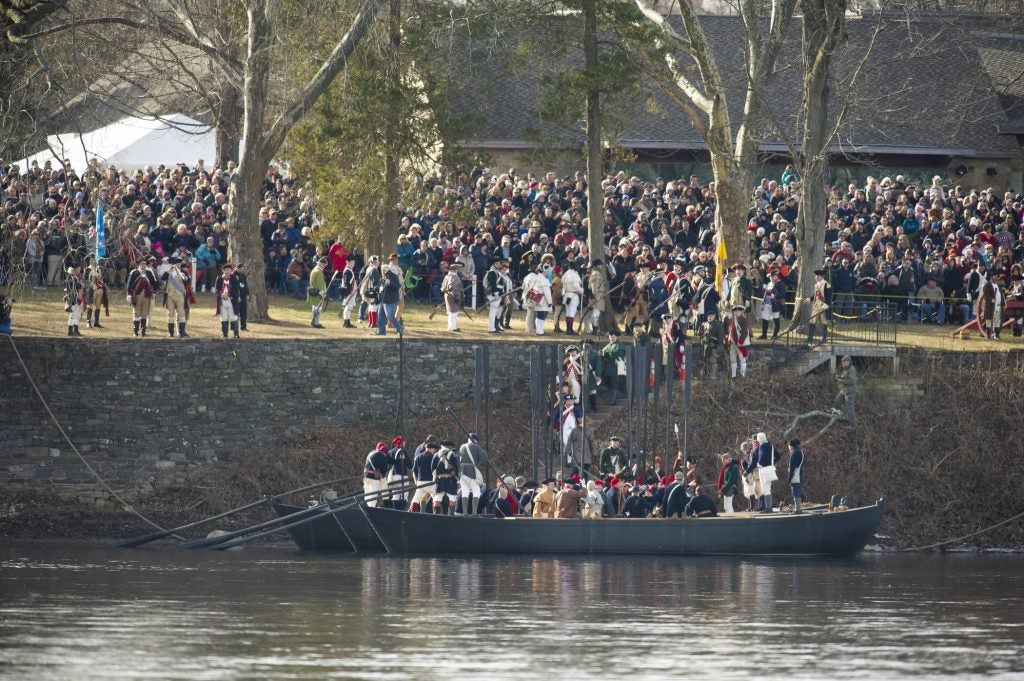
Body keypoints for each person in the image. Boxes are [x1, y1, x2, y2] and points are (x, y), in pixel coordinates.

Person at [457, 432, 490, 515]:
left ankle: (465, 512)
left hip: (461, 472)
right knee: (476, 491)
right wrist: (484, 451)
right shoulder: (476, 447)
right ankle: (474, 512)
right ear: (475, 440)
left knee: (464, 492)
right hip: (471, 472)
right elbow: (485, 458)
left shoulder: (462, 447)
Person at [126, 259, 157, 337]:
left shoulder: (149, 273)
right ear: (139, 264)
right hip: (137, 296)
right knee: (136, 313)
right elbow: (129, 285)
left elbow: (154, 284)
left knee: (144, 313)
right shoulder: (134, 273)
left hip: (146, 296)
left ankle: (143, 331)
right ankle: (135, 331)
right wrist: (129, 295)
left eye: (145, 264)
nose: (144, 265)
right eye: (142, 264)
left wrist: (153, 292)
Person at [161, 256, 190, 337]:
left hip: (180, 295)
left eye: (179, 263)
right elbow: (163, 278)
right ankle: (171, 333)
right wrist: (169, 270)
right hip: (170, 296)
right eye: (176, 264)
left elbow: (187, 280)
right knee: (170, 315)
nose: (178, 265)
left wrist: (184, 275)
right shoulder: (169, 272)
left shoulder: (183, 273)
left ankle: (181, 332)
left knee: (181, 313)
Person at [378, 253, 405, 336]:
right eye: (382, 270)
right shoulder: (383, 278)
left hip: (391, 299)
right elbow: (380, 287)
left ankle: (400, 328)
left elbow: (397, 285)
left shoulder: (393, 276)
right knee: (381, 316)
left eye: (384, 270)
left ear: (387, 270)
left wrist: (389, 283)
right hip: (383, 299)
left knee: (390, 316)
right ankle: (381, 331)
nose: (383, 271)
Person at [409, 436, 439, 513]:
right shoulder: (434, 458)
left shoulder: (418, 457)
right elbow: (436, 471)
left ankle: (412, 512)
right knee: (436, 497)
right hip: (431, 482)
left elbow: (414, 471)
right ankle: (435, 513)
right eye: (434, 449)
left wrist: (417, 481)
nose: (434, 451)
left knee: (416, 498)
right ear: (431, 449)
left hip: (421, 482)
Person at [431, 440, 460, 514]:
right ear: (449, 447)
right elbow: (456, 468)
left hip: (440, 479)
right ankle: (451, 516)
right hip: (450, 479)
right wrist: (457, 477)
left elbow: (432, 468)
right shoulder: (452, 454)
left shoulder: (436, 455)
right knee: (452, 498)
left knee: (437, 498)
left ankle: (435, 515)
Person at [483, 258, 511, 333]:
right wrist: (495, 294)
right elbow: (493, 284)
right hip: (493, 294)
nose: (498, 265)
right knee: (493, 312)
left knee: (494, 312)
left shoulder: (496, 272)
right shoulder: (492, 272)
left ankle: (493, 327)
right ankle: (491, 328)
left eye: (499, 264)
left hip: (498, 294)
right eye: (497, 264)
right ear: (493, 264)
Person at [214, 263, 241, 339]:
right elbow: (216, 289)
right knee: (224, 317)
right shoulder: (219, 279)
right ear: (223, 271)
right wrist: (221, 294)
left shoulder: (234, 278)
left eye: (229, 270)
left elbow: (236, 289)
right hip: (222, 301)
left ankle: (236, 333)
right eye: (226, 270)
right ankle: (225, 333)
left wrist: (228, 294)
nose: (228, 271)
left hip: (231, 301)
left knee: (234, 317)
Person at [600, 330, 626, 405]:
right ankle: (617, 395)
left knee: (614, 383)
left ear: (616, 337)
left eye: (613, 337)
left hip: (615, 368)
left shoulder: (620, 345)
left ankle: (613, 399)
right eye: (610, 337)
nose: (611, 338)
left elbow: (619, 356)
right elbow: (603, 351)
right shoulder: (608, 345)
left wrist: (608, 356)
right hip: (607, 368)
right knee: (608, 383)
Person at [755, 432, 779, 513]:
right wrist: (772, 462)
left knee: (765, 489)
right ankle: (769, 507)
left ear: (759, 439)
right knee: (768, 488)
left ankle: (768, 508)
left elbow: (762, 456)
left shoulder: (761, 446)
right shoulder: (770, 445)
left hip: (764, 469)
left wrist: (759, 463)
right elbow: (778, 455)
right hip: (771, 468)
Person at [363, 441, 392, 508]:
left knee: (367, 496)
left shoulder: (371, 453)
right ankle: (371, 510)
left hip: (366, 477)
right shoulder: (381, 456)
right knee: (373, 497)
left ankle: (366, 509)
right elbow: (383, 471)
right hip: (374, 479)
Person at [977, 272, 1005, 339]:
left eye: (996, 276)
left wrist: (1003, 303)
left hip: (998, 306)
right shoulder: (987, 285)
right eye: (994, 276)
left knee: (998, 321)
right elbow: (986, 295)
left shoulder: (998, 285)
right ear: (991, 277)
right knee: (989, 321)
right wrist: (991, 300)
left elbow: (1001, 295)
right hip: (990, 306)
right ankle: (988, 335)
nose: (995, 277)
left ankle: (996, 335)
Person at [387, 436, 412, 511]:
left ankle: (395, 511)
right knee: (404, 495)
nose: (405, 443)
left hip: (394, 476)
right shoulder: (403, 451)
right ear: (401, 443)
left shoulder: (390, 451)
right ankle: (402, 510)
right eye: (404, 442)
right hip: (402, 475)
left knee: (395, 495)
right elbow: (409, 465)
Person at [726, 305, 751, 378]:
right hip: (733, 343)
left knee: (742, 359)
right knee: (733, 359)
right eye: (735, 311)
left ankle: (743, 376)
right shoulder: (734, 320)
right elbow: (732, 330)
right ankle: (733, 376)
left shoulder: (743, 320)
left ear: (742, 312)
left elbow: (744, 332)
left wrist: (740, 341)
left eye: (738, 311)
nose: (736, 313)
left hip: (740, 343)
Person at [834, 355, 858, 426]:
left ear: (848, 362)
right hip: (844, 390)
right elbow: (845, 377)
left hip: (850, 391)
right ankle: (845, 415)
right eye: (842, 362)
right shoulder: (845, 369)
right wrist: (839, 377)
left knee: (849, 407)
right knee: (837, 402)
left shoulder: (852, 369)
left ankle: (852, 424)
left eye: (844, 362)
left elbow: (852, 381)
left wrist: (841, 381)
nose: (842, 363)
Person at [561, 261, 584, 335]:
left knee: (568, 313)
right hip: (573, 296)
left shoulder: (565, 274)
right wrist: (582, 291)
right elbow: (576, 286)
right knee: (571, 313)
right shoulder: (574, 275)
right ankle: (570, 330)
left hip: (566, 294)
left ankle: (568, 329)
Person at [442, 260, 465, 332]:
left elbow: (443, 287)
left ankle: (453, 326)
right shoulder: (454, 276)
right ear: (455, 270)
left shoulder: (448, 276)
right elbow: (451, 286)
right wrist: (454, 295)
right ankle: (452, 327)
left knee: (453, 312)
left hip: (450, 295)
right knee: (453, 312)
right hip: (453, 295)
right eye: (458, 269)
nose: (459, 270)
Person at [808, 268, 830, 343]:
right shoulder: (816, 284)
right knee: (812, 321)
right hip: (816, 305)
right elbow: (815, 295)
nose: (816, 277)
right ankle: (810, 337)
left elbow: (828, 296)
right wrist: (809, 299)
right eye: (816, 276)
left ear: (822, 277)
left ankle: (824, 338)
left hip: (823, 304)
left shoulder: (827, 284)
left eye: (818, 276)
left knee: (824, 321)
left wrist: (826, 304)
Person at [700, 310, 724, 377]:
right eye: (708, 316)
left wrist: (718, 346)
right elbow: (702, 335)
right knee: (705, 361)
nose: (709, 317)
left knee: (713, 361)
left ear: (714, 316)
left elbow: (720, 337)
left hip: (714, 346)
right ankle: (707, 375)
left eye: (711, 316)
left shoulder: (718, 325)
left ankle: (713, 376)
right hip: (706, 346)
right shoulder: (705, 324)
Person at [307, 256, 328, 328]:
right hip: (318, 293)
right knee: (318, 309)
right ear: (321, 264)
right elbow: (320, 284)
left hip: (313, 291)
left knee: (314, 308)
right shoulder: (319, 272)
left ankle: (314, 322)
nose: (324, 267)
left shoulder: (314, 270)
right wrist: (323, 294)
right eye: (324, 265)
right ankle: (316, 323)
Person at [64, 265, 84, 337]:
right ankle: (70, 331)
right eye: (78, 269)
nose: (79, 271)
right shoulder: (72, 278)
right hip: (73, 299)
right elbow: (73, 290)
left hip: (76, 299)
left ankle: (75, 330)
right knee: (72, 315)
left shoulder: (75, 278)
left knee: (77, 315)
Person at [339, 257, 359, 329]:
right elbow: (347, 282)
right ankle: (346, 323)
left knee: (349, 307)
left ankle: (347, 322)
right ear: (347, 262)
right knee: (348, 307)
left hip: (350, 291)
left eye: (354, 261)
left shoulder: (350, 270)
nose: (353, 263)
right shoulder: (347, 271)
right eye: (352, 261)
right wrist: (351, 291)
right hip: (348, 292)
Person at [787, 438, 805, 514]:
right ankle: (798, 508)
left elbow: (791, 468)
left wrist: (789, 478)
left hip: (795, 475)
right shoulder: (801, 452)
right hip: (800, 473)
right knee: (798, 490)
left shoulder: (793, 453)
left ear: (792, 446)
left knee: (795, 491)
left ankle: (797, 509)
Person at [235, 262, 250, 331]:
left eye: (243, 269)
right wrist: (238, 296)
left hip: (243, 296)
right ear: (237, 269)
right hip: (237, 297)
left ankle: (243, 327)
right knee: (236, 313)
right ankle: (235, 327)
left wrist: (247, 294)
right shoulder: (234, 276)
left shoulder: (243, 275)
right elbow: (235, 287)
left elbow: (245, 285)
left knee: (244, 312)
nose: (242, 270)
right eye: (240, 269)